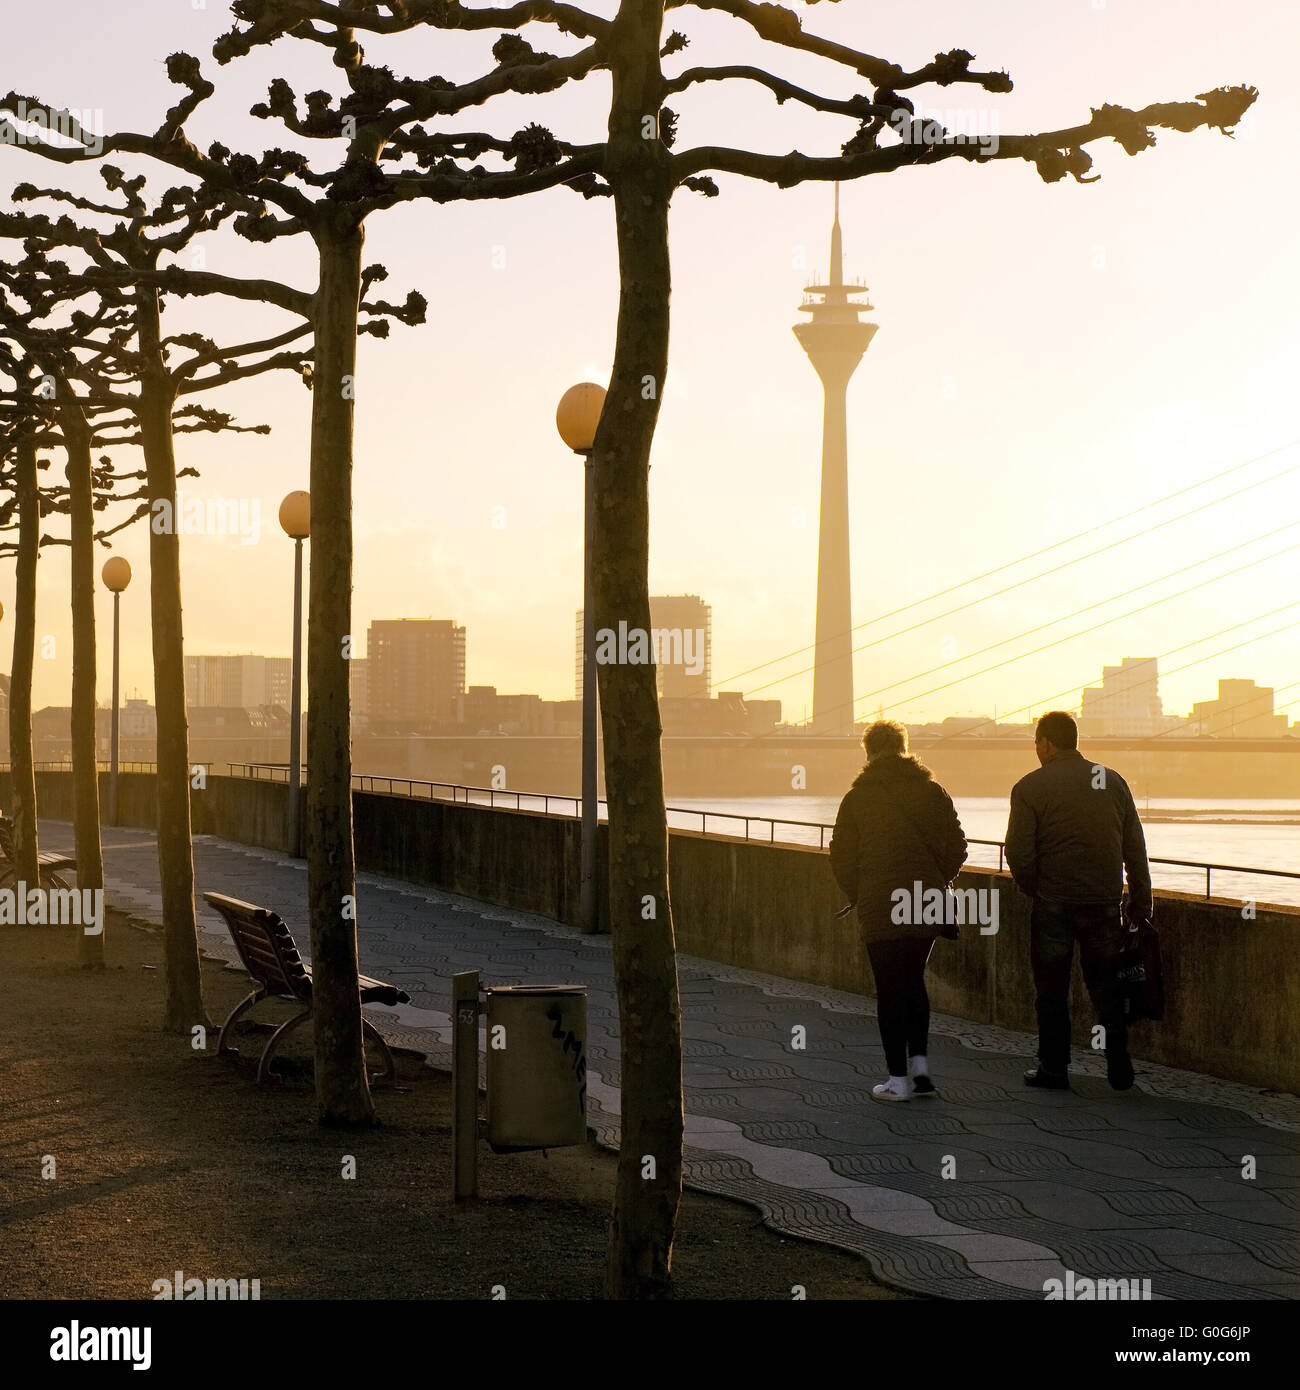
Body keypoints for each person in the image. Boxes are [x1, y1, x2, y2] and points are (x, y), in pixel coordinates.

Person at [1005, 710, 1152, 1093]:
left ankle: (1054, 1069)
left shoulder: (1029, 787)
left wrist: (1035, 888)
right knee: (1107, 987)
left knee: (1052, 988)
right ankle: (1118, 1063)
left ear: (1045, 743)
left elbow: (1018, 853)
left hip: (1053, 903)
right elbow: (1135, 849)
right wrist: (1141, 903)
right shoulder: (1113, 781)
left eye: (1036, 744)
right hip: (1104, 902)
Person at [830, 720, 967, 1101]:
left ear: (869, 752)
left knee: (890, 989)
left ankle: (897, 1081)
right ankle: (921, 1070)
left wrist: (859, 891)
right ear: (905, 749)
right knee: (913, 981)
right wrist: (938, 877)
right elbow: (958, 846)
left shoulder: (857, 798)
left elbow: (840, 854)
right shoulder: (933, 792)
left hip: (879, 903)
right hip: (925, 899)